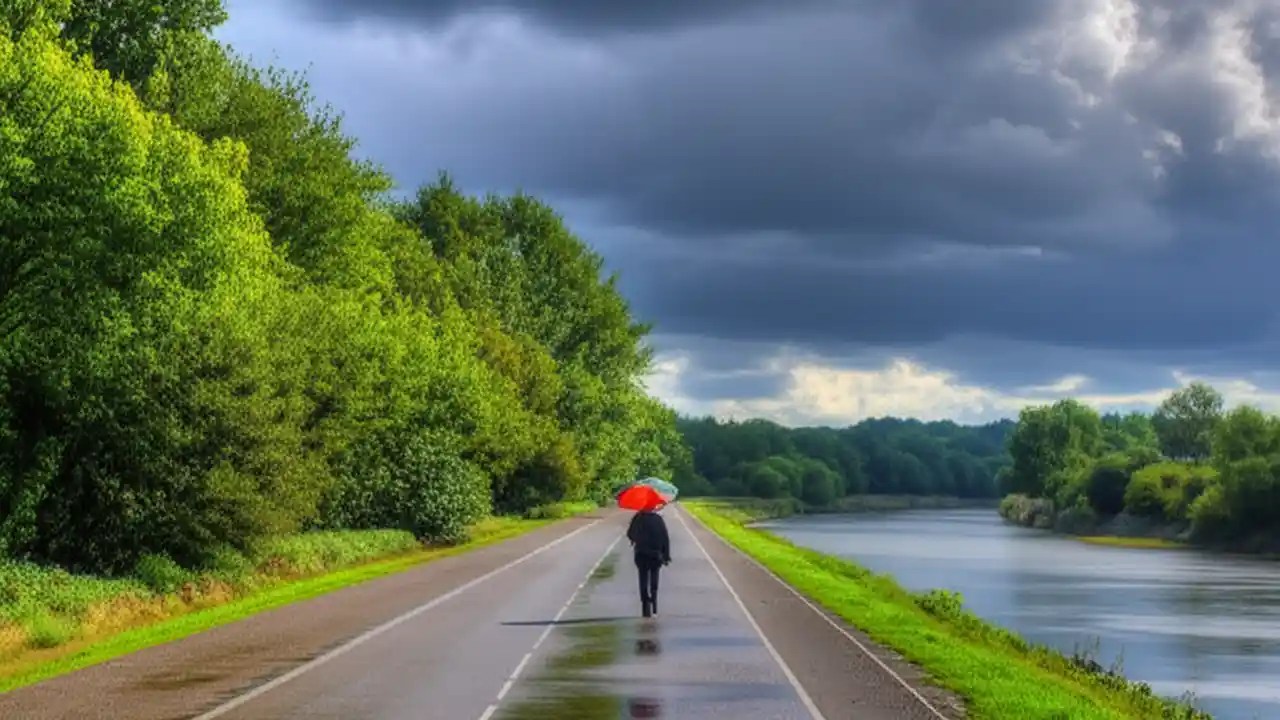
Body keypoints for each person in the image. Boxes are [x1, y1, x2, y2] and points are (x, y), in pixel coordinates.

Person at [626, 504, 671, 618]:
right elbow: (665, 538)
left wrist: (636, 539)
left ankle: (645, 603)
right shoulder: (658, 519)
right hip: (656, 555)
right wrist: (666, 555)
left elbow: (630, 534)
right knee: (654, 578)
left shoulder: (638, 518)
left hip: (641, 553)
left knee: (643, 578)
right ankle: (654, 605)